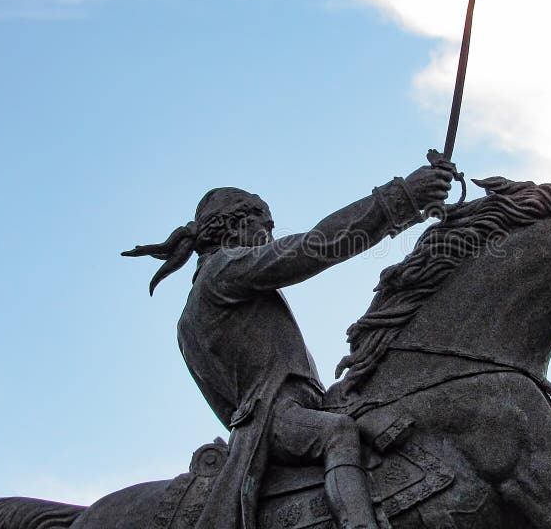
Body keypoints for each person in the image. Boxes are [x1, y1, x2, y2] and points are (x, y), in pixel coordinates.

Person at [122, 164, 453, 529]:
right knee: (337, 433)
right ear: (236, 227)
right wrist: (403, 197)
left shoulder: (192, 315)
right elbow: (316, 246)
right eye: (264, 226)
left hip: (294, 410)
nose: (268, 236)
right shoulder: (223, 272)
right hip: (274, 420)